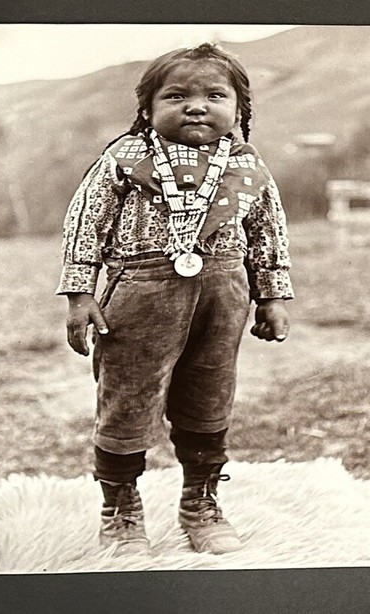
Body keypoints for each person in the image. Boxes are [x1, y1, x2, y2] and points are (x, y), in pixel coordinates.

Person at [57, 43, 293, 555]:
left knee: (209, 397)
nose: (196, 105)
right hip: (139, 295)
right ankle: (119, 511)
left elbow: (268, 233)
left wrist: (273, 297)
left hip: (223, 295)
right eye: (176, 95)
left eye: (215, 95)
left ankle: (200, 503)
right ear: (147, 108)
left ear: (239, 109)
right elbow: (85, 224)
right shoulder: (123, 159)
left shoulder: (248, 167)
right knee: (127, 400)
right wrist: (79, 294)